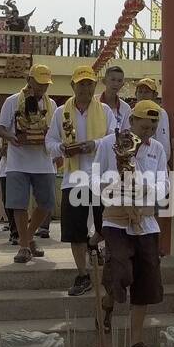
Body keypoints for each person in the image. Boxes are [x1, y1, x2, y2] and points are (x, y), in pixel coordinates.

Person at [92, 100, 169, 347]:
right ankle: (110, 299)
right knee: (121, 268)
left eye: (152, 128)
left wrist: (148, 190)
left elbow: (164, 183)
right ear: (132, 121)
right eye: (144, 127)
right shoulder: (107, 144)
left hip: (146, 223)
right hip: (115, 219)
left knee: (146, 281)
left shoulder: (156, 149)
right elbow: (95, 179)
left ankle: (135, 341)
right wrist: (112, 189)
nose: (148, 133)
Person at [47, 66, 115, 295]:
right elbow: (50, 141)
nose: (85, 88)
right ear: (72, 86)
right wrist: (61, 148)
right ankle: (82, 274)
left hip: (101, 177)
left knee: (107, 225)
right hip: (73, 179)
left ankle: (94, 243)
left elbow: (116, 138)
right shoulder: (60, 112)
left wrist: (95, 144)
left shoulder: (105, 110)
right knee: (75, 230)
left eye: (89, 84)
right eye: (81, 84)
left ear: (95, 86)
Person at [0, 64, 58, 264]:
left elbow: (56, 132)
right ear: (29, 80)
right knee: (18, 204)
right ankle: (24, 246)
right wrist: (11, 137)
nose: (42, 88)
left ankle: (27, 237)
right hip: (18, 161)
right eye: (39, 83)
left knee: (47, 203)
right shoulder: (12, 101)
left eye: (45, 84)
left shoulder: (52, 105)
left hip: (43, 161)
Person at [134, 78, 171, 164]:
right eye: (140, 92)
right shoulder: (132, 111)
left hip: (152, 162)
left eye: (147, 92)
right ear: (136, 94)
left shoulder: (160, 113)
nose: (142, 95)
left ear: (155, 95)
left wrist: (161, 163)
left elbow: (163, 142)